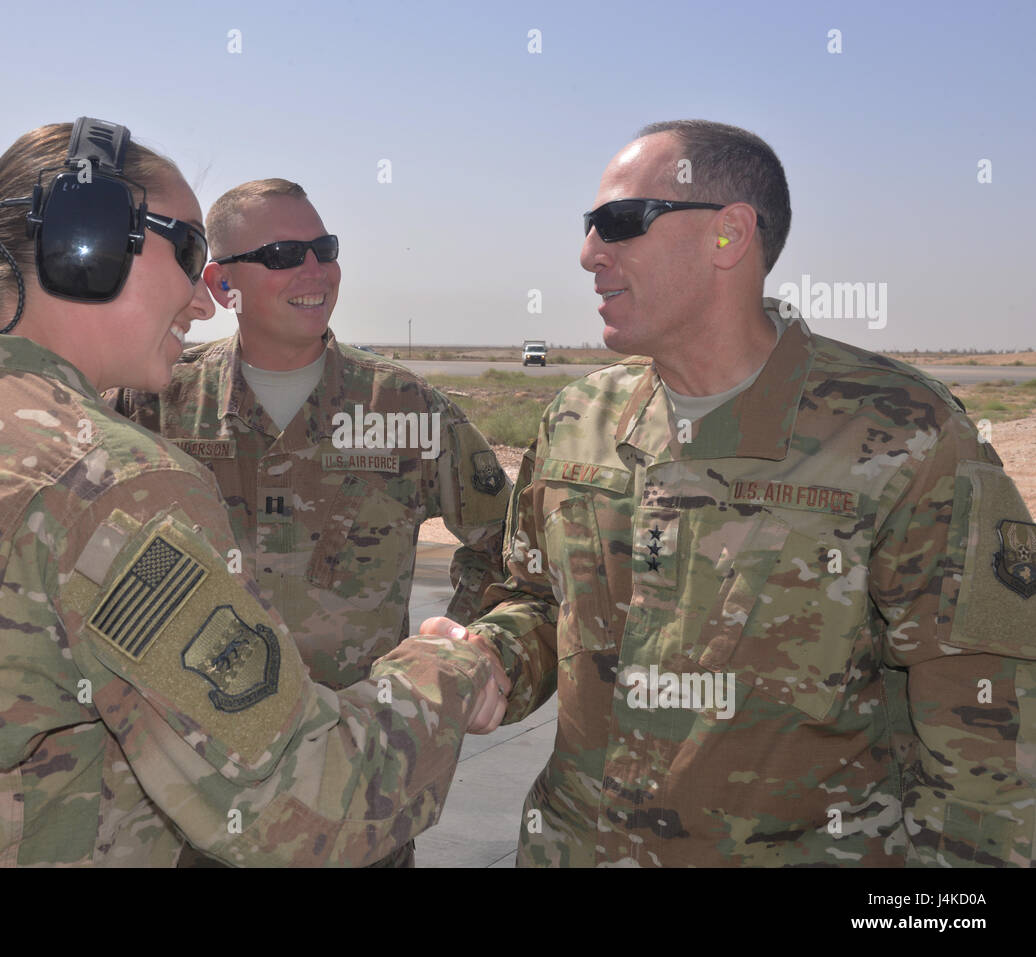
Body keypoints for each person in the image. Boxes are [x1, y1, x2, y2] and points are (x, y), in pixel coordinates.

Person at [0, 118, 508, 867]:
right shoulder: (111, 480)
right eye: (185, 252)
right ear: (84, 246)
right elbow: (306, 803)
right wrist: (446, 667)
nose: (201, 299)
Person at [423, 119, 1036, 866]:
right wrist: (492, 659)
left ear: (729, 236)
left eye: (618, 223)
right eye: (589, 229)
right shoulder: (578, 421)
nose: (589, 254)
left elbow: (991, 732)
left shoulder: (904, 433)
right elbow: (538, 601)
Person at [107, 179, 511, 867]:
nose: (315, 270)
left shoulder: (405, 408)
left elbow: (506, 540)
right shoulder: (157, 406)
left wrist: (464, 649)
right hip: (189, 801)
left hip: (356, 790)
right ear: (219, 280)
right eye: (285, 252)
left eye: (324, 248)